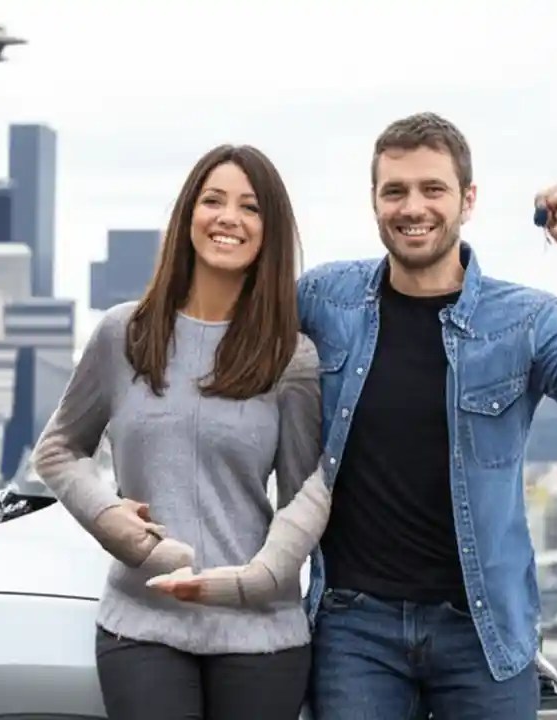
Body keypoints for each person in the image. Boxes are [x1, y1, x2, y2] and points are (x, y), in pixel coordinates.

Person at [294, 112, 557, 719]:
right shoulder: (324, 298)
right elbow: (230, 351)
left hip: (482, 631)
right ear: (373, 201)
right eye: (394, 190)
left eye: (433, 189)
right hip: (354, 628)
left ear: (467, 200)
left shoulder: (525, 318)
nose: (412, 207)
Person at [31, 143, 332, 720]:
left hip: (260, 637)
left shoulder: (290, 357)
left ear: (269, 232)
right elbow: (59, 450)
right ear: (187, 215)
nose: (228, 218)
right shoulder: (123, 335)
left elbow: (303, 497)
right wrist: (107, 517)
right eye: (213, 200)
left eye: (250, 207)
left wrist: (260, 579)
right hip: (142, 627)